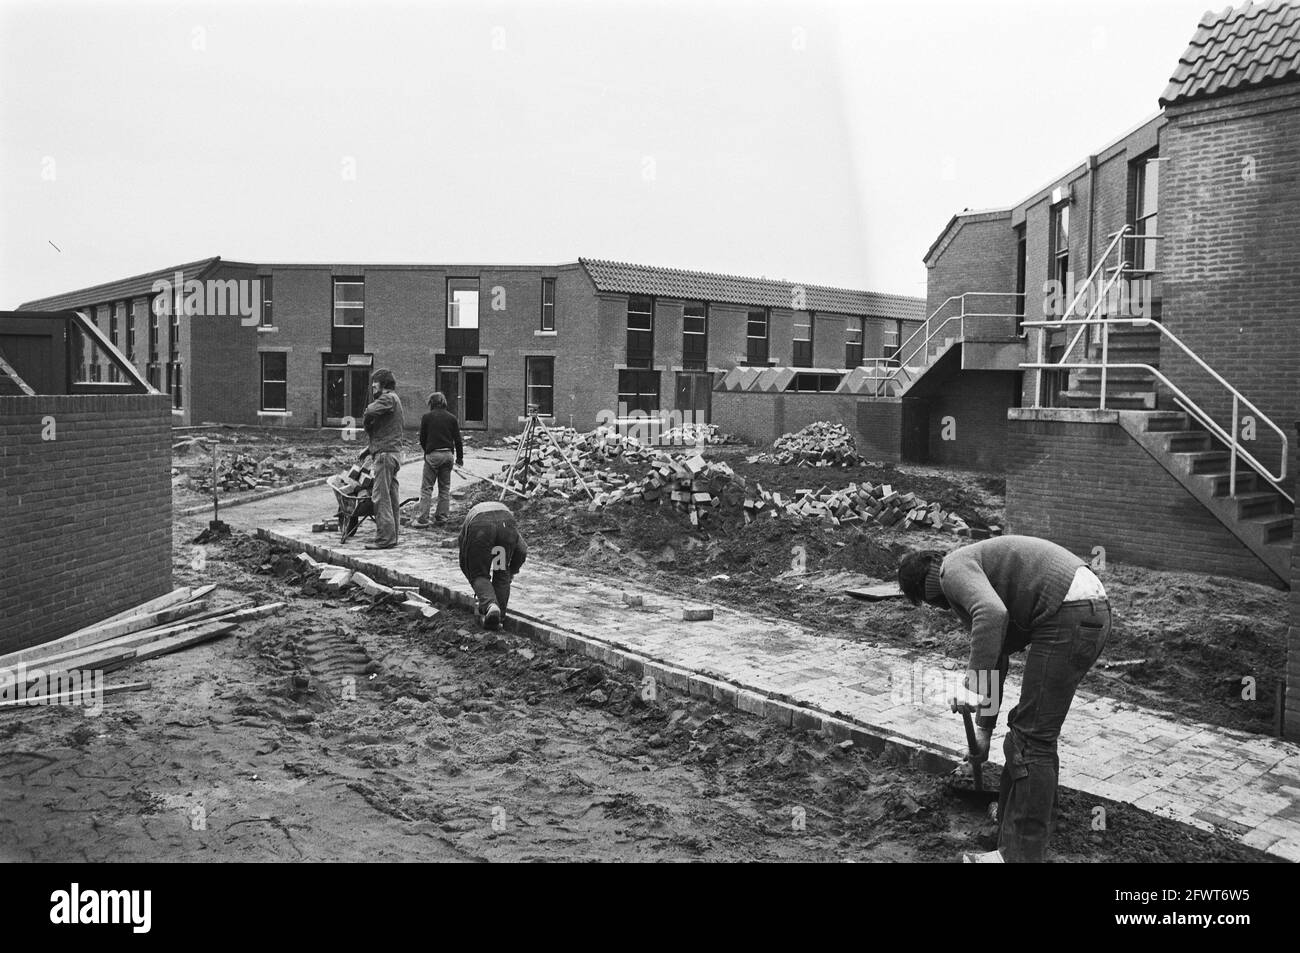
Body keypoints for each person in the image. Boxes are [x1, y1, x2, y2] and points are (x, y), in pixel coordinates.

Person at [897, 535, 1110, 864]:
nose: (938, 609)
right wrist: (983, 731)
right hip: (1086, 611)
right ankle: (1020, 825)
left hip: (1067, 613)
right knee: (1031, 732)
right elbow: (996, 658)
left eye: (928, 603)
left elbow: (992, 614)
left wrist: (969, 686)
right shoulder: (978, 570)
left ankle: (1017, 856)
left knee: (1030, 740)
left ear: (924, 587)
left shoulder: (950, 571)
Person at [457, 500, 527, 629]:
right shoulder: (509, 522)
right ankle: (498, 618)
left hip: (480, 525)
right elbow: (522, 550)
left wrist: (479, 587)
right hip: (506, 524)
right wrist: (511, 572)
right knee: (501, 571)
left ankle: (490, 605)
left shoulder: (466, 530)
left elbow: (465, 562)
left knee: (478, 574)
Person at [361, 368, 404, 550]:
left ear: (383, 384)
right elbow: (385, 430)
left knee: (380, 497)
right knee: (391, 497)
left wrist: (367, 412)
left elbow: (370, 410)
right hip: (392, 453)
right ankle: (392, 536)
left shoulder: (387, 398)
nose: (372, 387)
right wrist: (368, 449)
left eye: (374, 383)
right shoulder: (395, 400)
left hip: (385, 456)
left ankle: (385, 538)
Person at [412, 391, 463, 528]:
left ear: (431, 404)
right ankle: (442, 517)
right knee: (444, 488)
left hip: (433, 455)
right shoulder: (452, 418)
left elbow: (422, 438)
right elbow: (458, 440)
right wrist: (460, 459)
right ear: (443, 403)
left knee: (427, 488)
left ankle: (423, 519)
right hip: (448, 456)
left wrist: (427, 451)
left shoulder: (427, 417)